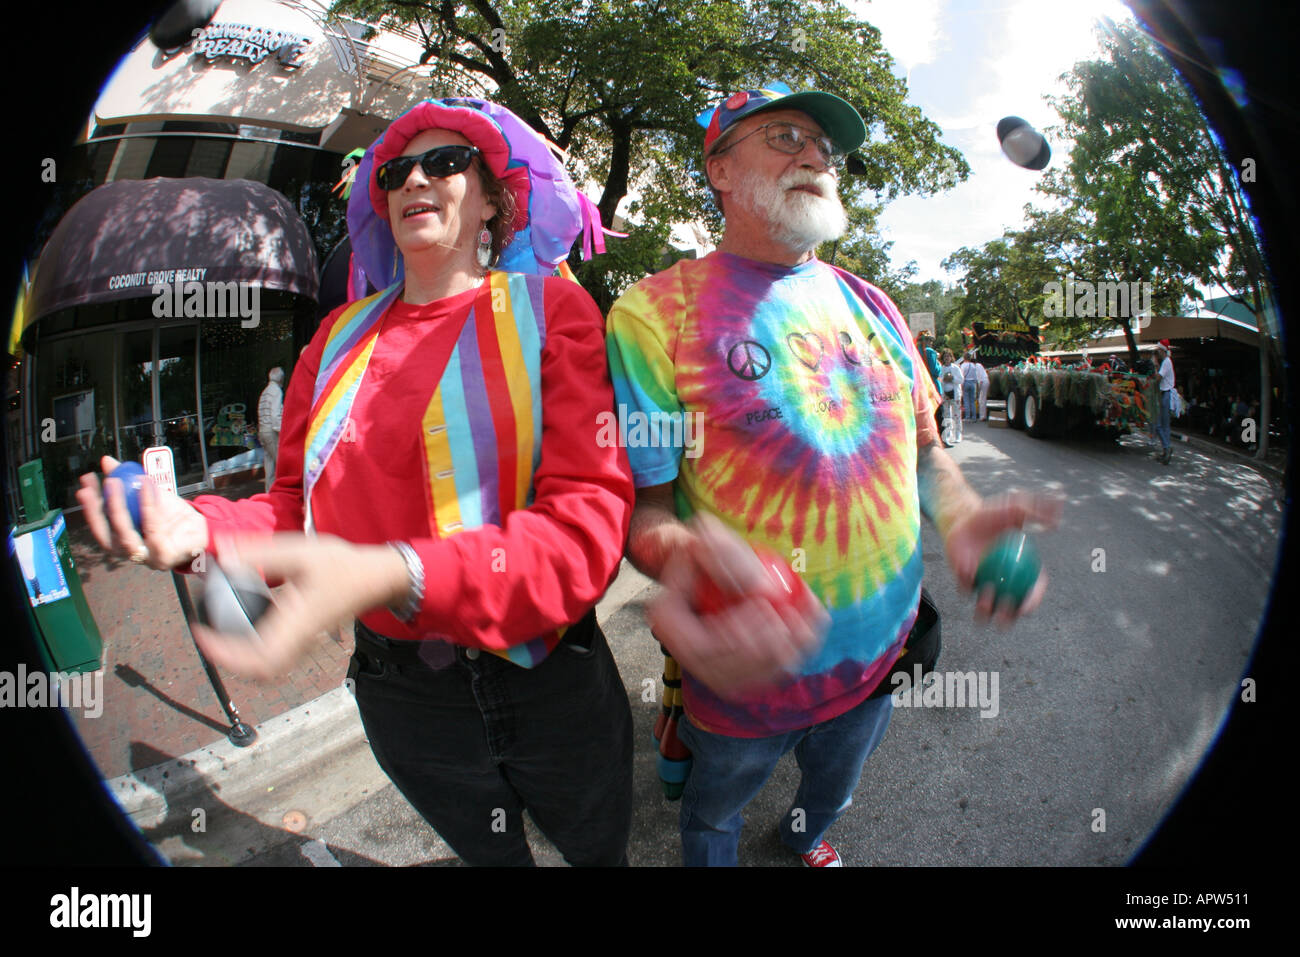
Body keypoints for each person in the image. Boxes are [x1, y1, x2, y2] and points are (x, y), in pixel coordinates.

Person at [77, 98, 636, 867]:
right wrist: (197, 528)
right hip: (402, 698)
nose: (414, 178)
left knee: (597, 853)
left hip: (551, 683)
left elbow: (585, 529)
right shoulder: (332, 342)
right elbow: (287, 514)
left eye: (445, 162)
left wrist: (390, 570)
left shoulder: (553, 311)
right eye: (397, 169)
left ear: (493, 199)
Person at [605, 83, 1057, 867]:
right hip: (747, 683)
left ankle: (806, 839)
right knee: (716, 811)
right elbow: (646, 512)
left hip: (881, 657)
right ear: (718, 167)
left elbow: (925, 456)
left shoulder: (874, 305)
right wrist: (689, 563)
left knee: (832, 792)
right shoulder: (652, 315)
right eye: (784, 136)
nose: (815, 155)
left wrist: (960, 515)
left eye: (826, 148)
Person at [257, 365, 284, 492]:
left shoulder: (265, 391)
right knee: (281, 464)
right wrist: (282, 430)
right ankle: (282, 494)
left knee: (269, 465)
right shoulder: (277, 391)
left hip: (262, 430)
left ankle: (269, 493)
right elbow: (275, 414)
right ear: (281, 379)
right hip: (271, 432)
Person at [1154, 340, 1176, 464]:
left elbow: (1158, 378)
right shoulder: (1167, 362)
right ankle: (1165, 451)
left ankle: (1167, 447)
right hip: (1165, 394)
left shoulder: (1166, 362)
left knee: (1158, 425)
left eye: (1158, 350)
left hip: (1166, 394)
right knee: (1165, 426)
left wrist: (1156, 365)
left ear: (1162, 351)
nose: (1157, 352)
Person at [940, 348, 964, 443]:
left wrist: (952, 378)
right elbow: (939, 380)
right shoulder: (941, 368)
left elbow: (961, 380)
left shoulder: (955, 368)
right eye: (945, 356)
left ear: (951, 357)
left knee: (957, 415)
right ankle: (948, 434)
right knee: (947, 415)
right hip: (945, 395)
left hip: (955, 394)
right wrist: (944, 379)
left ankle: (958, 434)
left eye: (948, 356)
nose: (947, 358)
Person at [959, 351, 977, 420]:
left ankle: (967, 416)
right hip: (972, 383)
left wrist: (961, 385)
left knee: (966, 400)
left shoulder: (963, 365)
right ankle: (974, 417)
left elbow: (962, 376)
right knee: (972, 400)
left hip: (966, 382)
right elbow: (975, 376)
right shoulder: (973, 365)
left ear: (964, 358)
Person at [973, 353, 990, 421]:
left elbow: (979, 380)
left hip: (983, 382)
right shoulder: (979, 365)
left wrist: (977, 391)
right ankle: (982, 415)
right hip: (985, 381)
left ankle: (982, 416)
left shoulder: (976, 367)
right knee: (982, 399)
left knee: (982, 399)